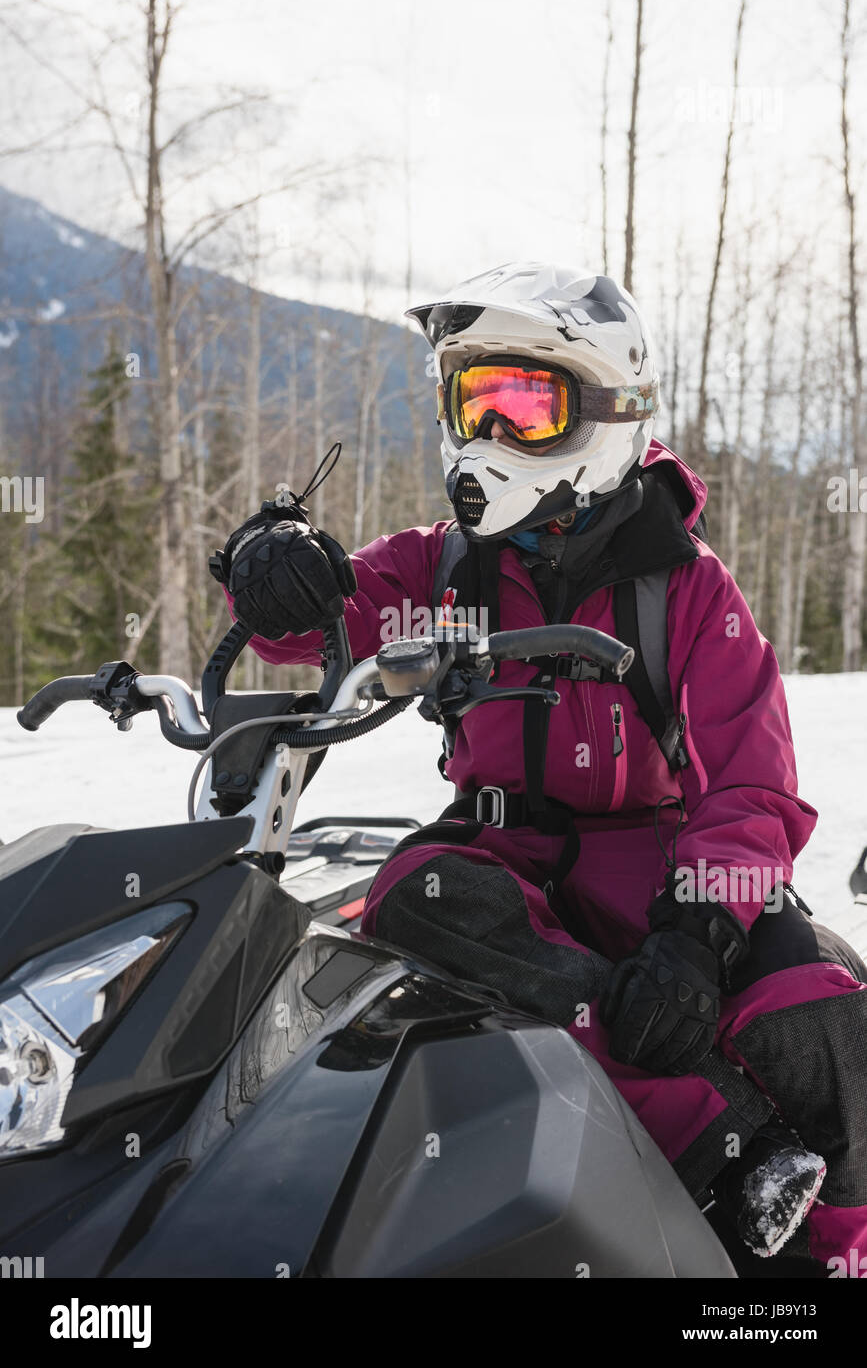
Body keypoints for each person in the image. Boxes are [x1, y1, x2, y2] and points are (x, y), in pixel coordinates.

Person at [214, 262, 867, 1269]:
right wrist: (271, 574)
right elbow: (325, 624)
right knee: (418, 893)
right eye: (472, 403)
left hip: (659, 864)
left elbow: (753, 785)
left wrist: (696, 937)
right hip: (500, 860)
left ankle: (839, 1246)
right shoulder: (446, 568)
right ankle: (734, 1153)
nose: (488, 439)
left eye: (523, 405)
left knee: (818, 1001)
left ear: (604, 412)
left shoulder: (684, 589)